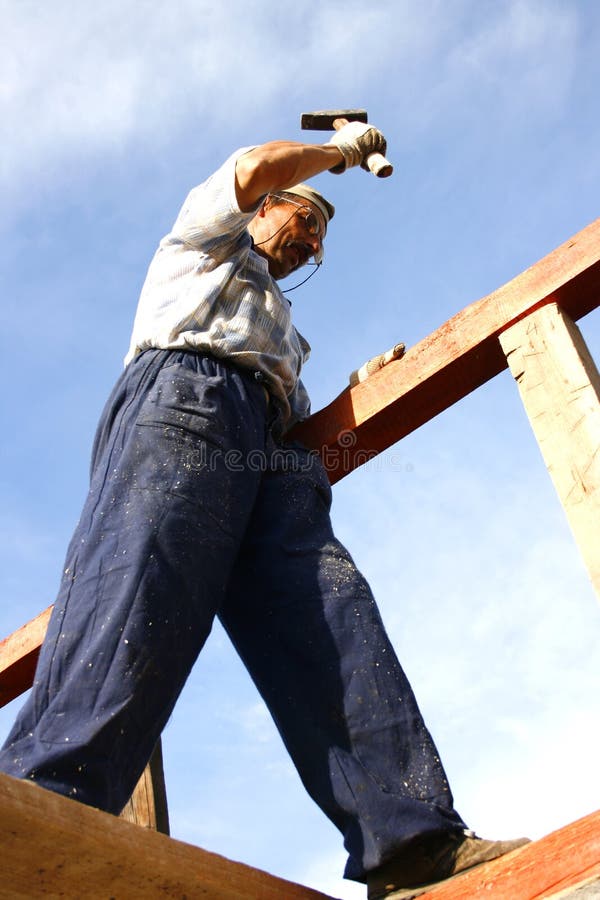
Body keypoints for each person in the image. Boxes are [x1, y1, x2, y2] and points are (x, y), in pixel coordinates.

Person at [0, 122, 527, 899]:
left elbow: (296, 428)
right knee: (141, 596)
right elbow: (254, 165)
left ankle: (407, 840)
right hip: (186, 399)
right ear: (263, 210)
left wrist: (358, 389)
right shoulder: (200, 244)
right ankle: (38, 813)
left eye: (318, 235)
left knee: (325, 611)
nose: (310, 239)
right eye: (303, 217)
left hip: (265, 448)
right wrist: (342, 153)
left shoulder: (288, 340)